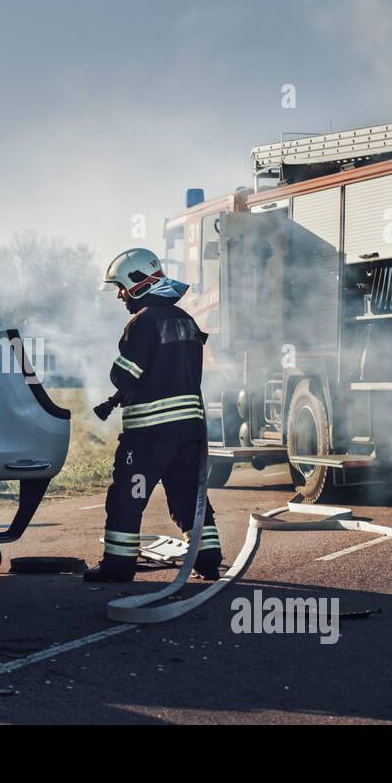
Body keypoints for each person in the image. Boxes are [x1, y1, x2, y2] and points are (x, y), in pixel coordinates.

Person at [85, 247, 220, 583]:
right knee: (189, 494)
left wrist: (119, 375)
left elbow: (124, 376)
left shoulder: (141, 324)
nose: (119, 296)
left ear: (136, 284)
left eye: (120, 288)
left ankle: (118, 566)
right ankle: (208, 559)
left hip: (149, 434)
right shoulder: (186, 321)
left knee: (128, 497)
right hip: (190, 431)